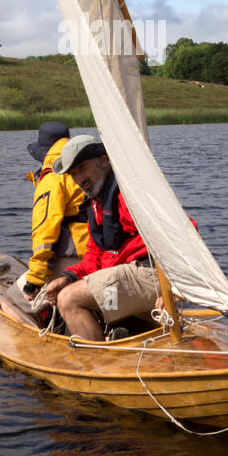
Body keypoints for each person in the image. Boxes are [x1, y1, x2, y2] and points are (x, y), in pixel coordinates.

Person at [43, 135, 159, 341]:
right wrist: (68, 277)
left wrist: (174, 290)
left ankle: (96, 364)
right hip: (130, 277)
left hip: (152, 276)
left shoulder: (128, 194)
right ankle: (119, 332)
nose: (79, 180)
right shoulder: (97, 202)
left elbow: (180, 232)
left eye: (83, 168)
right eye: (73, 174)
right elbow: (94, 255)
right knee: (72, 289)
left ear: (103, 161)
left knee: (68, 299)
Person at [17, 122, 88, 302]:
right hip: (99, 256)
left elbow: (45, 235)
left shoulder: (51, 180)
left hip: (75, 260)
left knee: (12, 302)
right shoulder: (88, 168)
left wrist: (34, 281)